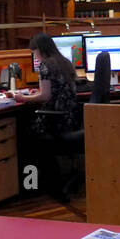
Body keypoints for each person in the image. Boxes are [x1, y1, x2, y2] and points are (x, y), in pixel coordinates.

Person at [18, 33, 83, 200]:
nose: (35, 56)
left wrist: (23, 98)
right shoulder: (65, 62)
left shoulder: (46, 65)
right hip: (70, 120)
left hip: (55, 121)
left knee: (24, 137)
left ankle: (32, 185)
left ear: (39, 50)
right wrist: (37, 93)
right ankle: (47, 181)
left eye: (34, 53)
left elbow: (45, 97)